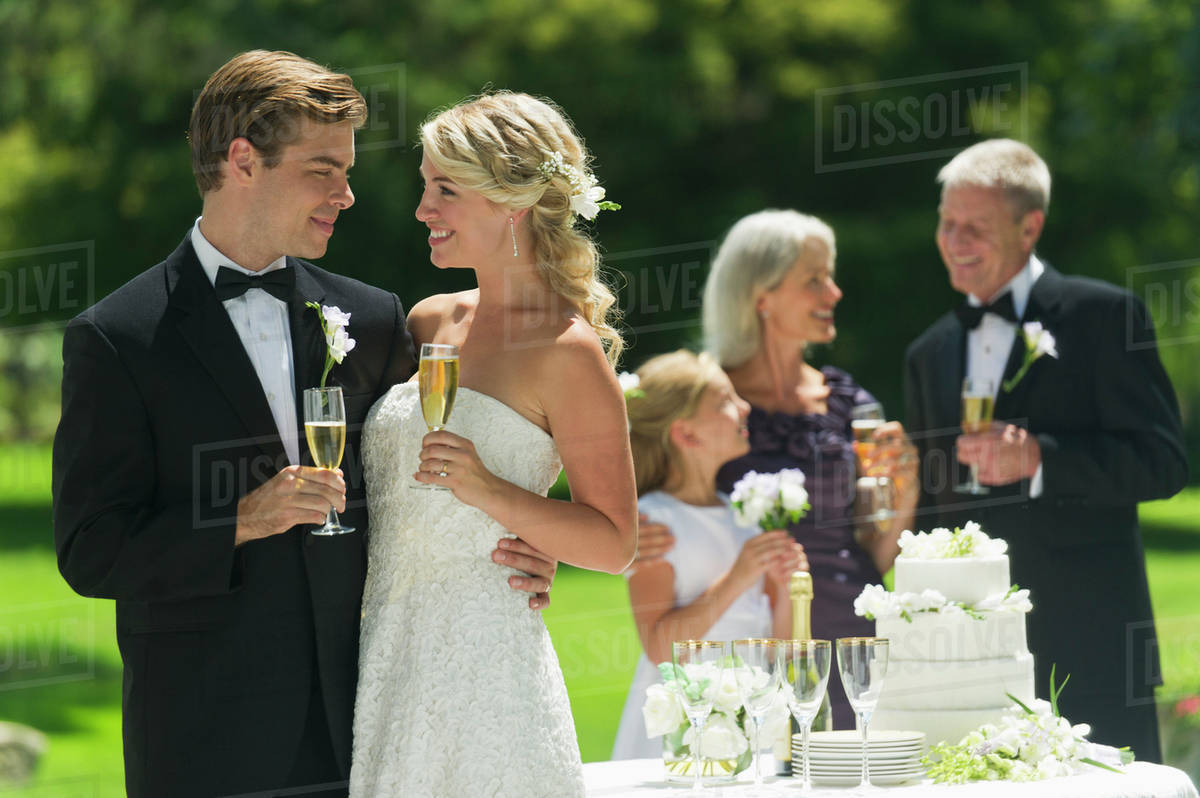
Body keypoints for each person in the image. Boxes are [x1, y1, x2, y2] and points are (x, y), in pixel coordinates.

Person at [50, 51, 556, 797]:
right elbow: (91, 551)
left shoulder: (376, 318)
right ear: (244, 160)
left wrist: (516, 547)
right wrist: (241, 519)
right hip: (204, 737)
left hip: (367, 723)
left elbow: (411, 491)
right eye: (324, 171)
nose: (347, 196)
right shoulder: (118, 339)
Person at [349, 91, 638, 796]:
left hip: (487, 671)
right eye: (425, 188)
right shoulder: (425, 322)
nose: (423, 209)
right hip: (382, 655)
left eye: (443, 189)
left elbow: (614, 541)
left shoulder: (567, 353)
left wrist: (496, 495)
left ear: (511, 202)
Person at [904, 138, 1187, 762]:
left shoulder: (1106, 316)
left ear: (1030, 226)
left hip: (1092, 645)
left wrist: (1041, 459)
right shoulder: (928, 353)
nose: (954, 241)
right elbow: (932, 510)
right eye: (946, 223)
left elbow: (1164, 460)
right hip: (966, 661)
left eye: (974, 226)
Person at [702, 209, 917, 730]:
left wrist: (906, 491)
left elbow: (877, 551)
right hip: (744, 641)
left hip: (853, 634)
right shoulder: (705, 399)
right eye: (814, 280)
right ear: (761, 296)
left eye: (831, 276)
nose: (835, 293)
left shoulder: (848, 402)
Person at [610, 350, 806, 760]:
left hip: (751, 715)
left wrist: (790, 586)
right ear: (687, 434)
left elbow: (779, 643)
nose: (745, 407)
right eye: (725, 402)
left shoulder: (743, 517)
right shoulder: (655, 521)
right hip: (685, 723)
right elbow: (662, 650)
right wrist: (738, 578)